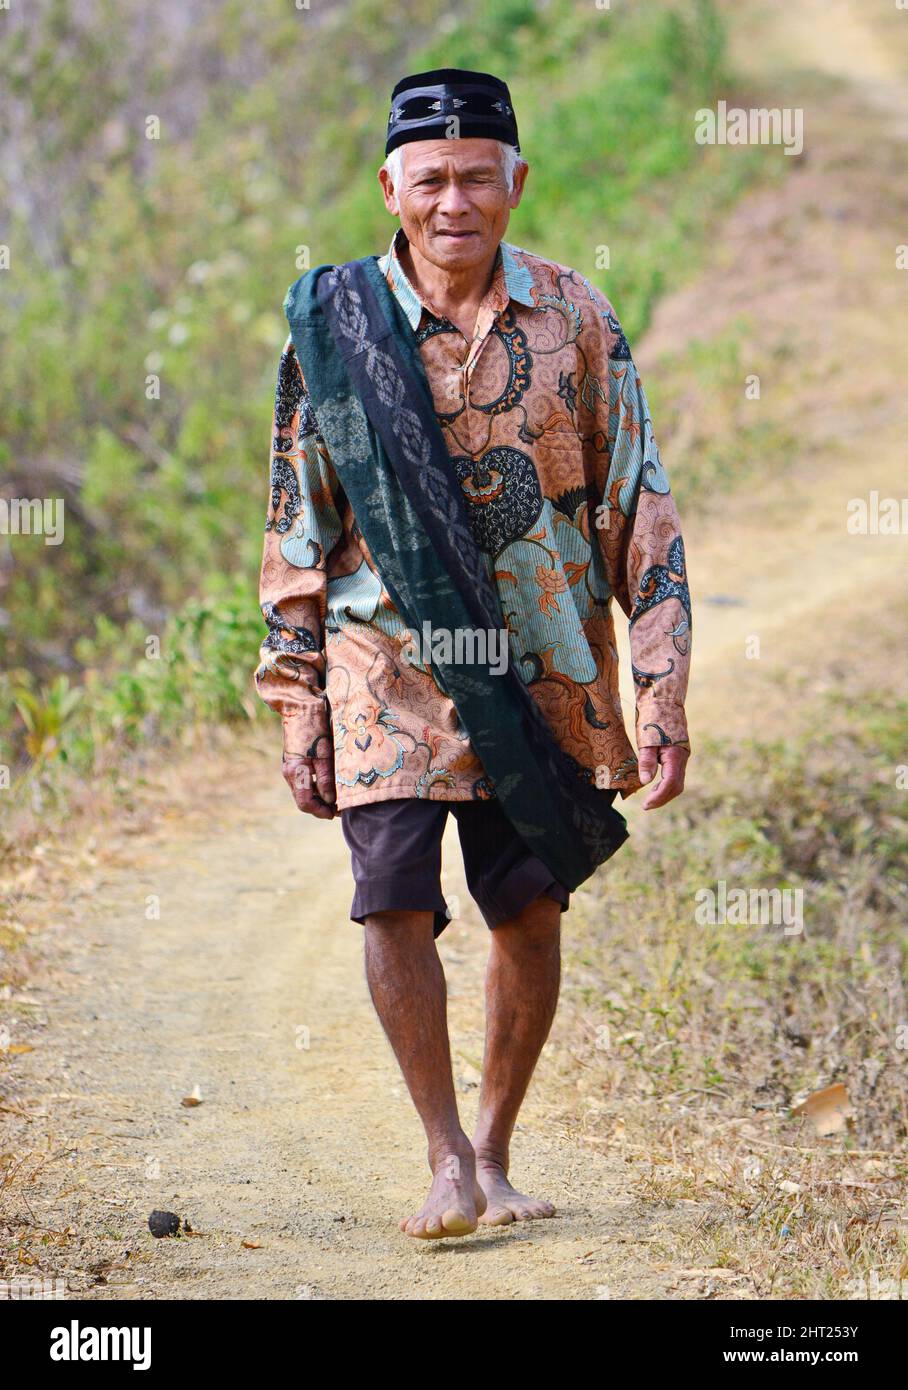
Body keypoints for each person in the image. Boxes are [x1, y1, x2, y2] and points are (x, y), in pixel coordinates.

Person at [255, 68, 692, 1239]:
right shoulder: (333, 329)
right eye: (430, 178)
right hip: (381, 668)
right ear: (390, 186)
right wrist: (295, 700)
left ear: (516, 182)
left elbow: (635, 503)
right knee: (390, 899)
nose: (455, 200)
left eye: (477, 176)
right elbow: (295, 524)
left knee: (527, 914)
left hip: (540, 670)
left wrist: (660, 687)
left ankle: (494, 1147)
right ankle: (441, 1155)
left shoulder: (575, 317)